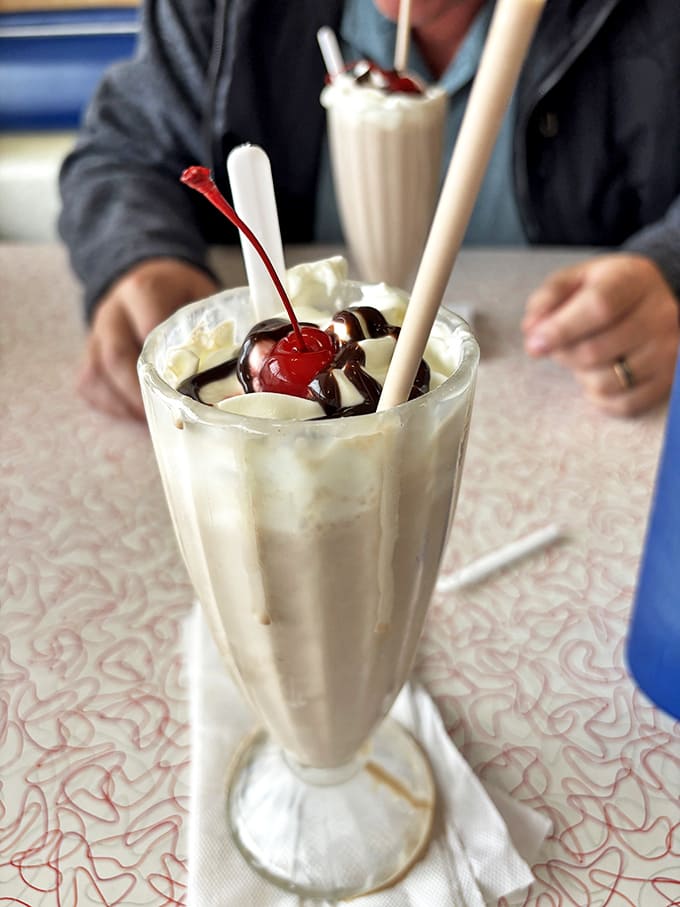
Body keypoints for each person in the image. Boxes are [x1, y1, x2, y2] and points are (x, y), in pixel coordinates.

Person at [59, 0, 680, 421]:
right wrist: (140, 258)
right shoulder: (224, 14)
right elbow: (123, 152)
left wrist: (667, 270)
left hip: (555, 405)